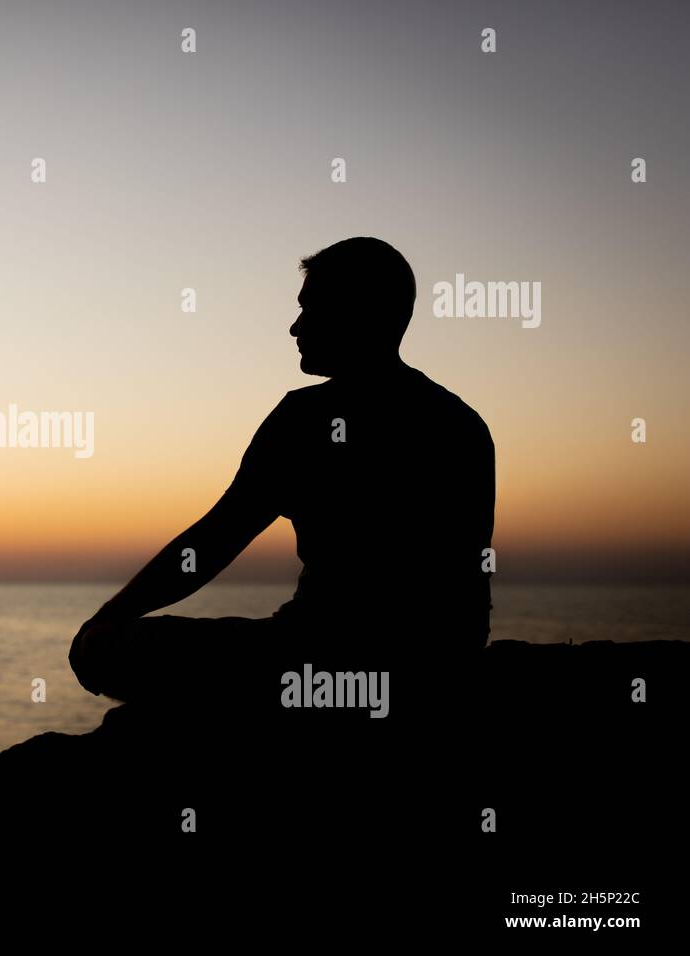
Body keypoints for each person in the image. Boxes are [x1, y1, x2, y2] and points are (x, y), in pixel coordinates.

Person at [68, 237, 495, 712]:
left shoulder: (307, 417)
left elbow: (214, 540)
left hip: (318, 662)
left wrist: (109, 616)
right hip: (434, 671)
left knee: (108, 650)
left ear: (360, 312)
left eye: (311, 308)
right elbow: (467, 602)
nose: (295, 327)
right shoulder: (460, 422)